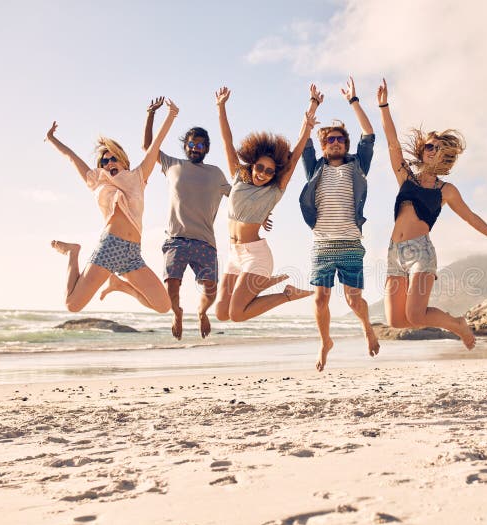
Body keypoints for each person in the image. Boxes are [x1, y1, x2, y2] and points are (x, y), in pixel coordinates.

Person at [376, 79, 487, 348]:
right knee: (396, 321)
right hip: (394, 252)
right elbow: (392, 145)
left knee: (415, 315)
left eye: (437, 147)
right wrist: (383, 106)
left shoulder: (445, 190)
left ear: (444, 155)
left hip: (420, 253)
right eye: (428, 146)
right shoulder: (406, 178)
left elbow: (470, 217)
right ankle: (455, 322)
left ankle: (456, 324)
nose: (431, 150)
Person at [45, 100, 179, 314]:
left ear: (124, 161)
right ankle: (73, 251)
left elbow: (155, 146)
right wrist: (52, 139)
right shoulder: (98, 182)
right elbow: (71, 158)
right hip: (109, 247)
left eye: (113, 158)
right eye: (104, 162)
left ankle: (119, 285)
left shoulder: (137, 176)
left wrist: (171, 115)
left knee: (163, 306)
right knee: (72, 305)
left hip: (132, 253)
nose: (108, 163)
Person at [213, 86, 316, 322]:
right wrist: (221, 107)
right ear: (252, 164)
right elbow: (227, 141)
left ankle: (287, 295)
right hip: (233, 254)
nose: (263, 173)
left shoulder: (274, 191)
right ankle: (261, 284)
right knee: (221, 314)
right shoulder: (239, 176)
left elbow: (296, 153)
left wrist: (310, 114)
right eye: (260, 167)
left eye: (269, 171)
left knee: (236, 314)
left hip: (255, 256)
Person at [300, 78, 380, 372]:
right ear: (323, 147)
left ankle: (367, 328)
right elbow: (303, 140)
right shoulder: (315, 167)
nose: (335, 143)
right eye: (330, 140)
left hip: (350, 243)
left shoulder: (357, 166)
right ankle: (325, 342)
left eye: (340, 139)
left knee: (352, 299)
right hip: (321, 244)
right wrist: (313, 105)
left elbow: (369, 134)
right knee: (320, 298)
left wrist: (354, 100)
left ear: (346, 144)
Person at [143, 97, 232, 340]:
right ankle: (177, 312)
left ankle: (202, 312)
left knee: (211, 289)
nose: (195, 148)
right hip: (176, 240)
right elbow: (148, 147)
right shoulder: (172, 164)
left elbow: (238, 197)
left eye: (201, 146)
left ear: (207, 149)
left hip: (205, 241)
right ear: (186, 146)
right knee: (171, 283)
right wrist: (151, 114)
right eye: (192, 144)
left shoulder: (216, 173)